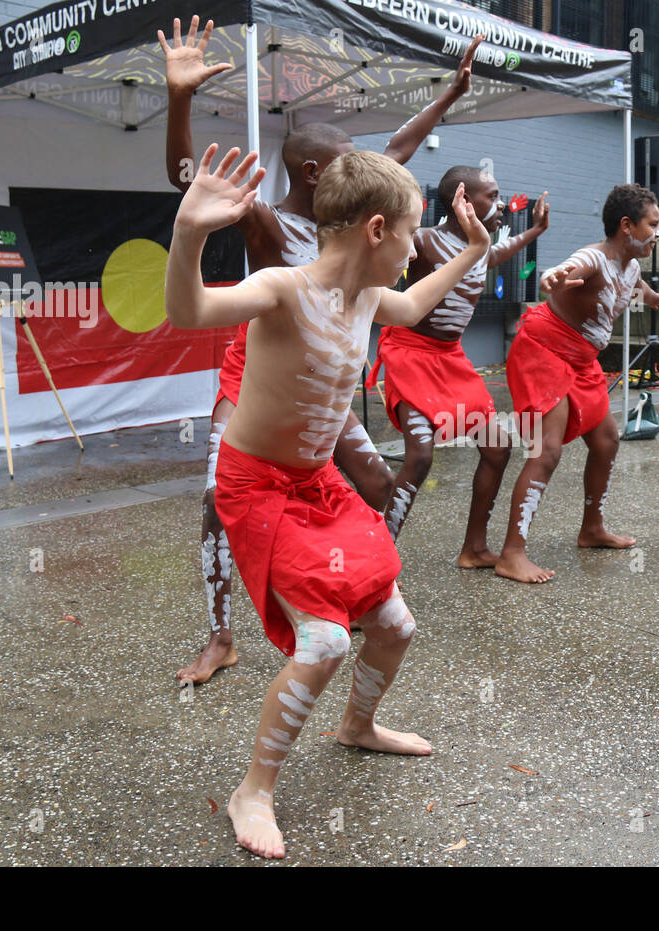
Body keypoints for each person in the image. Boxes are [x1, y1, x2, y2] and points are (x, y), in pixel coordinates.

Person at [166, 145, 490, 858]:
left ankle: (357, 726)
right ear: (376, 229)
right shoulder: (285, 289)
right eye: (409, 234)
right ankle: (252, 791)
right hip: (256, 487)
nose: (413, 249)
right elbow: (187, 309)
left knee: (396, 624)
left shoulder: (371, 298)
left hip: (317, 487)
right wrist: (190, 230)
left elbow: (413, 303)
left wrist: (474, 252)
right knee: (325, 641)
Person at [160, 15, 484, 683]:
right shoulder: (270, 219)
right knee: (217, 501)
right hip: (258, 381)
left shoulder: (358, 220)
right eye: (347, 161)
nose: (369, 167)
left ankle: (350, 590)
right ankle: (220, 637)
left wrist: (449, 98)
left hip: (328, 385)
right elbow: (190, 180)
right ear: (314, 171)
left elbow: (396, 148)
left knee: (377, 484)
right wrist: (181, 99)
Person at [368, 165, 551, 566]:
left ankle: (474, 548)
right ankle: (376, 565)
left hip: (451, 360)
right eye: (493, 195)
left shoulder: (480, 247)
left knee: (498, 446)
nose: (502, 204)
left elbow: (500, 251)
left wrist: (536, 231)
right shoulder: (423, 241)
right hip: (411, 354)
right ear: (463, 200)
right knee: (419, 457)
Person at [494, 184, 659, 583]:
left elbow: (633, 284)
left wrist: (653, 295)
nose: (657, 233)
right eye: (653, 224)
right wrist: (553, 276)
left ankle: (592, 529)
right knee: (547, 452)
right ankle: (512, 553)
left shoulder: (632, 265)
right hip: (546, 349)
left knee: (607, 439)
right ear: (627, 226)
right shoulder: (594, 258)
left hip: (582, 357)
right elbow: (568, 269)